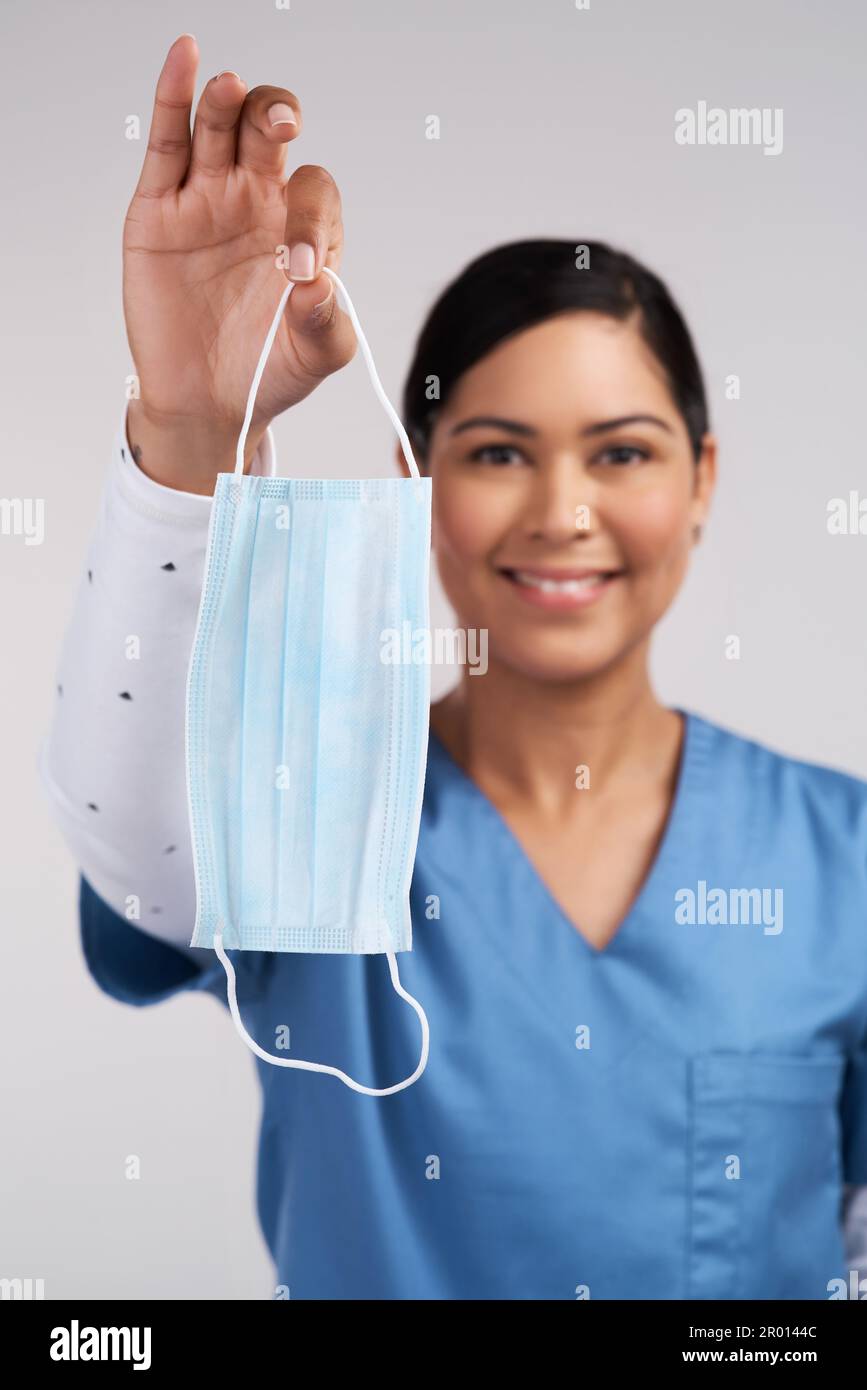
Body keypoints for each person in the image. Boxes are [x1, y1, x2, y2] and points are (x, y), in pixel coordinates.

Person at [40, 33, 867, 1300]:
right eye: (495, 453)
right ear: (416, 488)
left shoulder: (839, 859)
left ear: (703, 482)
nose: (562, 510)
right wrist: (195, 433)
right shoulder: (311, 817)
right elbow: (133, 840)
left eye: (624, 453)